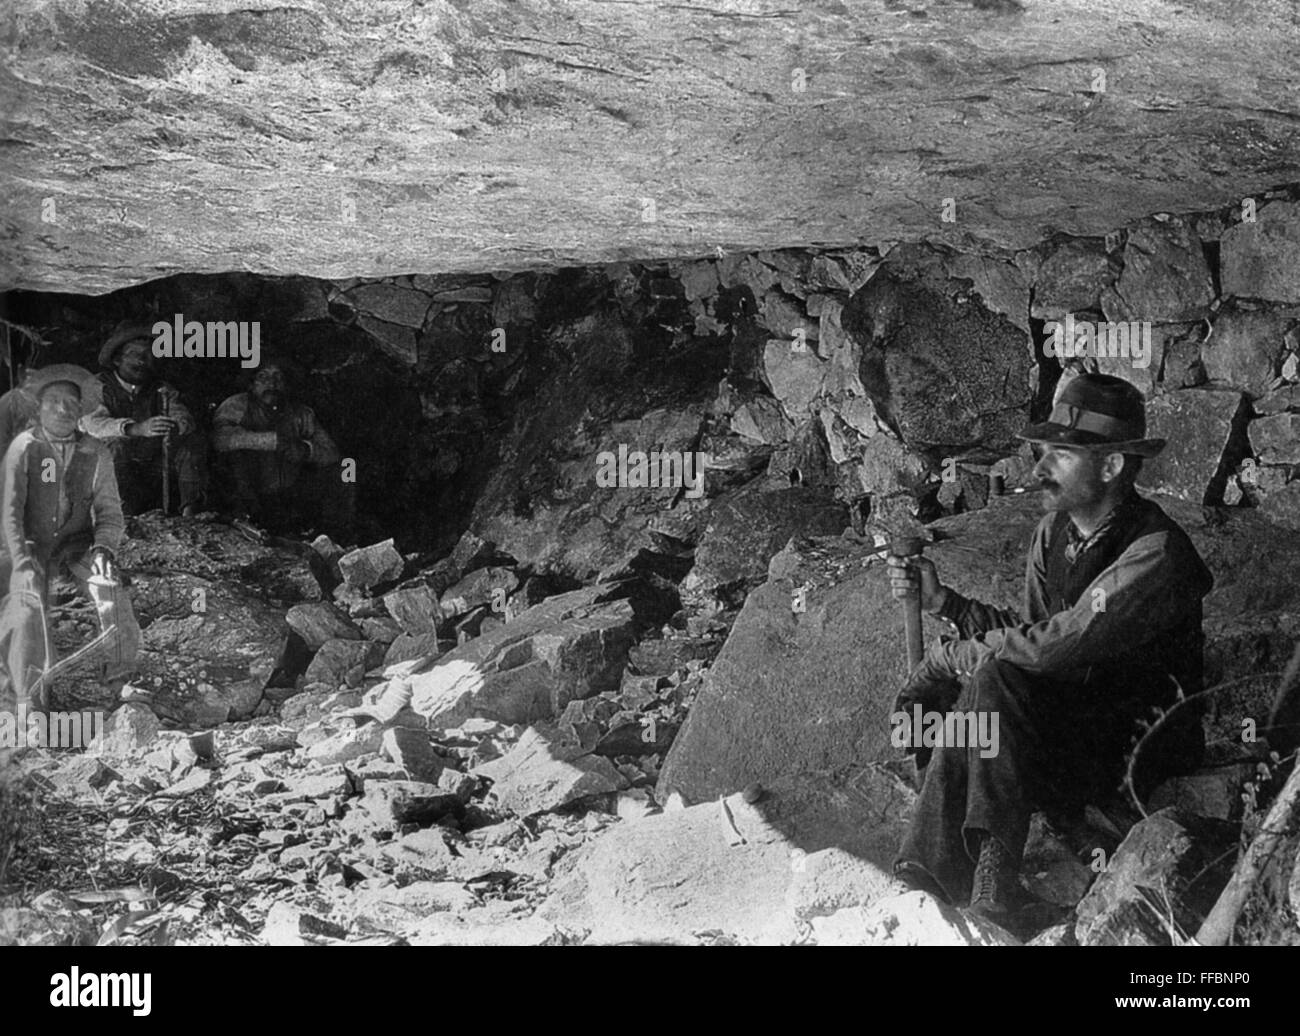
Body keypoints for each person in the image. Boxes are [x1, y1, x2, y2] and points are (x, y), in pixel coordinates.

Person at [886, 373, 1213, 927]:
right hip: (1075, 717)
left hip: (1141, 739)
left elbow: (1058, 646)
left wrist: (953, 655)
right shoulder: (1053, 533)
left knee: (990, 679)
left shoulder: (1156, 552)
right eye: (1042, 454)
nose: (1038, 470)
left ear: (1111, 466)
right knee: (990, 683)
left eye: (1059, 456)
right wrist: (951, 607)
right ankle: (937, 868)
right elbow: (1035, 634)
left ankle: (986, 876)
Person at [0, 365, 140, 714]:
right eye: (54, 402)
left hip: (76, 545)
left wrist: (105, 547)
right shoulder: (23, 448)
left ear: (81, 410)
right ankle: (27, 702)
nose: (63, 409)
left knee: (110, 589)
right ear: (39, 408)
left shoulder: (96, 452)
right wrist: (21, 563)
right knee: (25, 607)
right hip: (27, 545)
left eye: (71, 403)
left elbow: (109, 512)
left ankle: (121, 681)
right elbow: (11, 513)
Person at [212, 361, 352, 539]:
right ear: (251, 383)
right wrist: (273, 441)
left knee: (347, 468)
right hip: (249, 494)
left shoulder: (301, 413)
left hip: (287, 493)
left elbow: (331, 452)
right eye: (263, 377)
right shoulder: (237, 405)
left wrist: (304, 450)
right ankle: (245, 522)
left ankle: (337, 536)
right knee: (234, 458)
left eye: (278, 377)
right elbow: (219, 439)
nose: (272, 383)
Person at [80, 323, 207, 516]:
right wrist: (135, 429)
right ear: (117, 360)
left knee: (191, 444)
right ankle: (118, 516)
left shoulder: (162, 389)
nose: (141, 360)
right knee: (113, 445)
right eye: (133, 353)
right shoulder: (97, 385)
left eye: (149, 355)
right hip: (106, 467)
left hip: (151, 464)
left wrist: (175, 427)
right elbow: (91, 424)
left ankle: (190, 514)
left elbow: (183, 417)